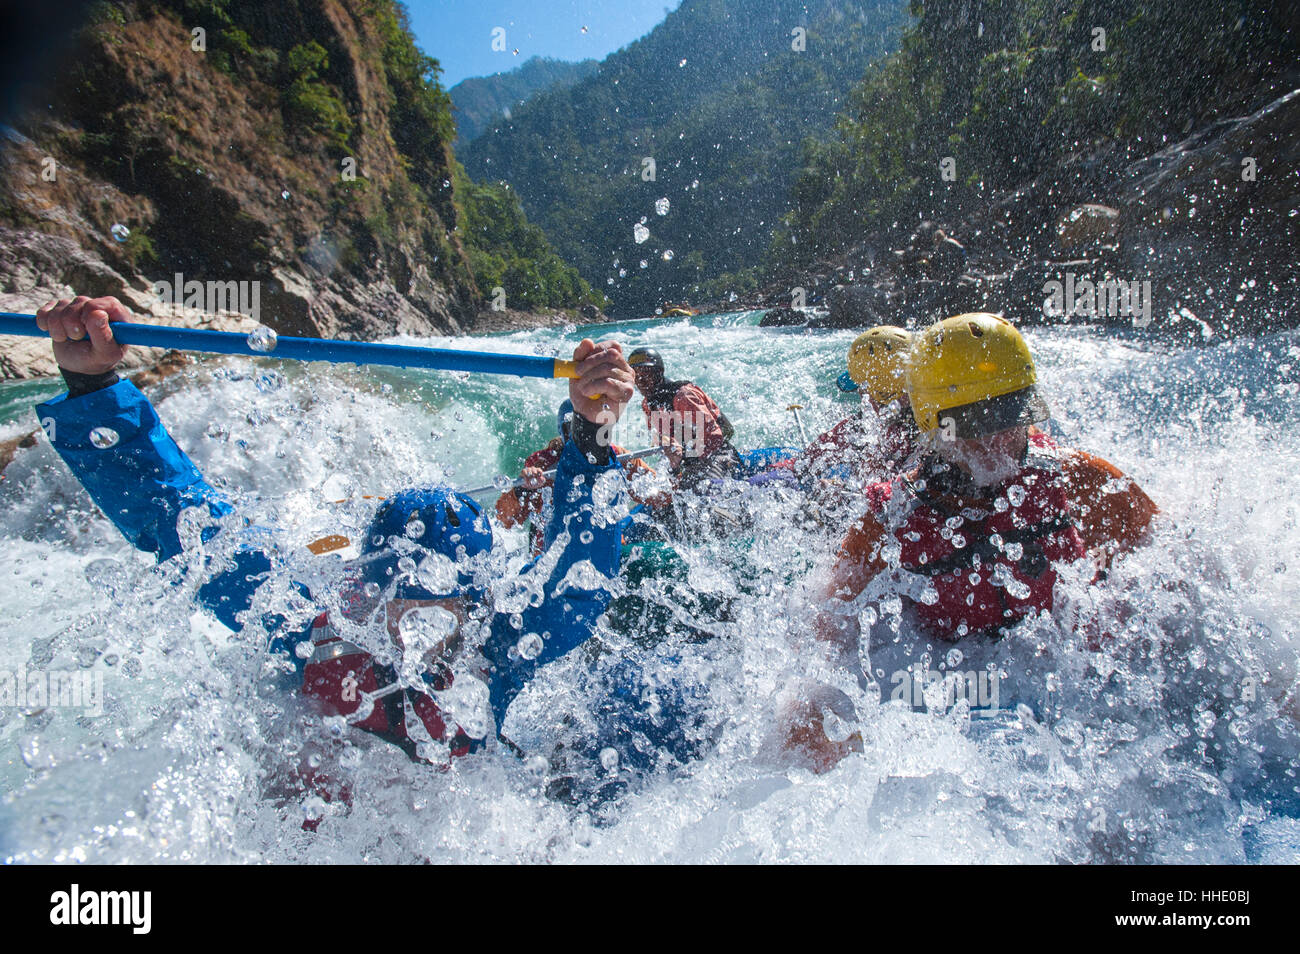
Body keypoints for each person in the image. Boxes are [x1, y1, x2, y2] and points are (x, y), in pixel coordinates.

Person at [32, 295, 710, 811]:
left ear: (474, 602)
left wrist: (590, 435)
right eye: (402, 601)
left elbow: (579, 566)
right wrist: (93, 388)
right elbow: (179, 519)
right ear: (363, 592)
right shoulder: (303, 625)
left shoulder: (502, 639)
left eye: (440, 607)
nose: (415, 630)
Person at [779, 313, 1159, 773]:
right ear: (934, 425)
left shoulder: (1078, 479)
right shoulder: (892, 517)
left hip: (1068, 688)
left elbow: (1167, 560)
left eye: (1013, 414)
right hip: (959, 700)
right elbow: (824, 630)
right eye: (978, 422)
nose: (1000, 438)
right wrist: (814, 718)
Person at [495, 399, 662, 556]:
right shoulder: (544, 464)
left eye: (592, 428)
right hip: (553, 551)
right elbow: (504, 520)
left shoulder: (617, 456)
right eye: (575, 428)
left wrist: (674, 465)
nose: (585, 436)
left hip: (605, 543)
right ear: (564, 431)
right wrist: (521, 489)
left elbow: (661, 495)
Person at [797, 326, 918, 488]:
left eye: (864, 389)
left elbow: (910, 486)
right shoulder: (864, 425)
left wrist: (846, 491)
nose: (862, 396)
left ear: (886, 390)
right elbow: (808, 458)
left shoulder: (925, 432)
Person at [627, 348, 739, 488]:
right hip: (689, 459)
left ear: (659, 374)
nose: (641, 381)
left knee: (703, 489)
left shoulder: (683, 396)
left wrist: (684, 453)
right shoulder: (648, 405)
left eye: (646, 374)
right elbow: (665, 438)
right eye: (636, 376)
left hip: (719, 455)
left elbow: (715, 439)